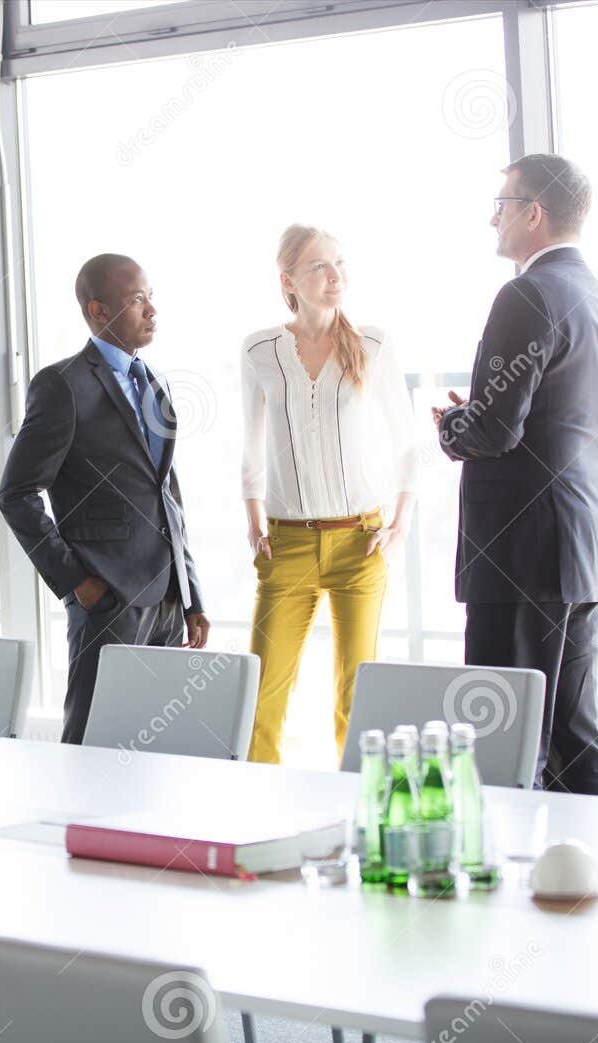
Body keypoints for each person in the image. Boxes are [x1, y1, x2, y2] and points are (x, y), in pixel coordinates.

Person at [432, 153, 598, 795]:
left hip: (522, 550)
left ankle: (502, 884)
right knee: (573, 735)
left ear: (534, 214)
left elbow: (494, 431)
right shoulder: (594, 294)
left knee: (505, 741)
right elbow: (554, 418)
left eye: (503, 205)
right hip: (580, 544)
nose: (493, 219)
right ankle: (588, 877)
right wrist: (486, 416)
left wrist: (452, 427)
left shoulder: (526, 293)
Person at [0, 253, 208, 744]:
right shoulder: (62, 385)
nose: (152, 310)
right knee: (91, 739)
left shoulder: (153, 380)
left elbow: (166, 494)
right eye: (138, 300)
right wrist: (77, 582)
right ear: (98, 310)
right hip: (107, 597)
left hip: (167, 596)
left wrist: (191, 591)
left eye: (150, 297)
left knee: (161, 743)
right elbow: (16, 493)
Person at [241, 225, 418, 764]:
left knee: (357, 693)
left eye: (339, 263)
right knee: (261, 693)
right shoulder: (260, 349)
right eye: (318, 265)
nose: (334, 275)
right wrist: (253, 521)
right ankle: (252, 817)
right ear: (288, 278)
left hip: (360, 543)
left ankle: (360, 813)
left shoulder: (373, 344)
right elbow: (250, 447)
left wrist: (399, 526)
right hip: (286, 543)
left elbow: (408, 443)